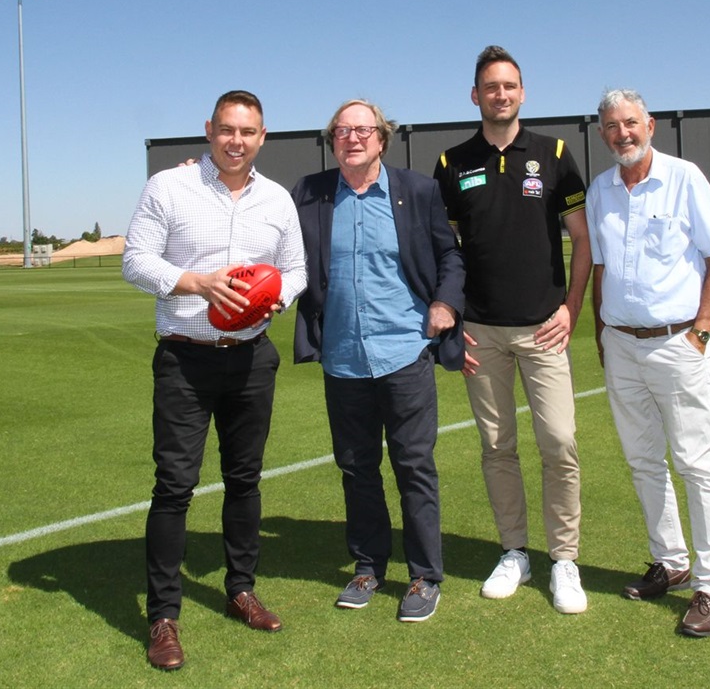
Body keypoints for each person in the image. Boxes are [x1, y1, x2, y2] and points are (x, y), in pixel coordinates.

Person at [123, 90, 308, 670]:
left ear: (262, 136)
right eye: (227, 129)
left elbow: (297, 268)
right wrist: (198, 283)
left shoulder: (277, 200)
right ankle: (163, 616)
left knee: (245, 479)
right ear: (209, 130)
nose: (236, 141)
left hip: (251, 358)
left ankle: (241, 589)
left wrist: (277, 296)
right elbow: (135, 260)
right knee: (174, 485)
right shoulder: (168, 187)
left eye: (247, 132)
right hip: (185, 357)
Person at [290, 99, 464, 623]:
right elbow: (255, 209)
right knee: (357, 468)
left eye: (363, 129)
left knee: (414, 467)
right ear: (333, 140)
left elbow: (451, 255)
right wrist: (199, 175)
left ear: (382, 139)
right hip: (343, 358)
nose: (352, 138)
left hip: (404, 351)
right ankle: (368, 565)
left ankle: (424, 576)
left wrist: (444, 302)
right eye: (342, 131)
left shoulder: (418, 191)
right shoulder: (310, 193)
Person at [432, 45, 592, 614]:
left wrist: (571, 307)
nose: (501, 94)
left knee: (560, 443)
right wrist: (452, 321)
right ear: (475, 96)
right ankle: (515, 552)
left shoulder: (554, 153)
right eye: (491, 87)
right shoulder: (452, 162)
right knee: (497, 446)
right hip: (480, 332)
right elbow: (442, 249)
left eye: (510, 86)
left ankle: (564, 560)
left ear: (522, 93)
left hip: (544, 329)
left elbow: (581, 239)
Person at [586, 88, 710, 638]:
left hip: (678, 343)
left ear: (649, 125)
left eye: (631, 123)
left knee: (697, 464)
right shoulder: (601, 189)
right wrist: (602, 333)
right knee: (644, 460)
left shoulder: (684, 177)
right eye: (612, 126)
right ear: (602, 133)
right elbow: (600, 268)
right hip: (621, 343)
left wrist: (700, 332)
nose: (622, 133)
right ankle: (670, 561)